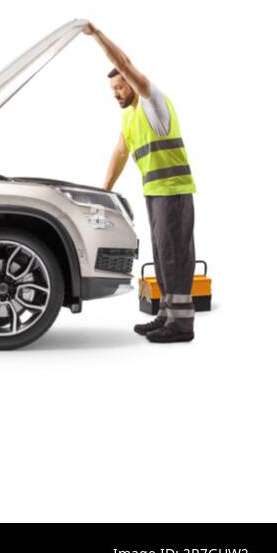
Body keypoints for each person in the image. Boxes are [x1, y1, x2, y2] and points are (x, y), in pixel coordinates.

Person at [88, 23, 198, 343]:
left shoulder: (153, 102)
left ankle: (182, 326)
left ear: (132, 83)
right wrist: (104, 191)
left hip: (174, 192)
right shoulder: (129, 116)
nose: (116, 94)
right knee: (165, 255)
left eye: (120, 87)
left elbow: (124, 62)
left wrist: (97, 35)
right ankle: (166, 314)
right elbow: (121, 151)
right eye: (112, 90)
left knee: (175, 254)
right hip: (155, 194)